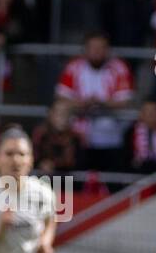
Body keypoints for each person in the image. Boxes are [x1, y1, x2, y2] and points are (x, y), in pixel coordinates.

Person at [54, 32, 135, 173]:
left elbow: (125, 101)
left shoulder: (119, 67)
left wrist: (101, 103)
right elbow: (61, 97)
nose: (97, 52)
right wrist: (82, 103)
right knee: (80, 181)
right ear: (85, 49)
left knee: (112, 182)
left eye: (101, 48)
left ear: (108, 50)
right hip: (79, 137)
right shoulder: (74, 67)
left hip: (111, 136)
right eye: (93, 47)